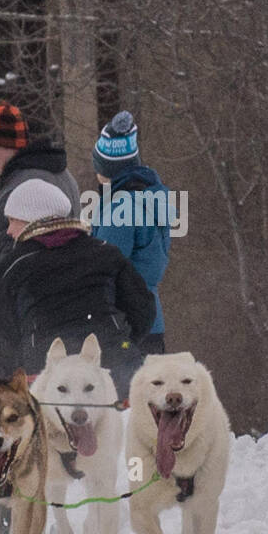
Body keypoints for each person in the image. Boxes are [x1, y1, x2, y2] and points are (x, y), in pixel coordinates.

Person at [0, 180, 155, 395]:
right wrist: (125, 343)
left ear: (30, 220)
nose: (8, 231)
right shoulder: (106, 253)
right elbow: (144, 309)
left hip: (47, 381)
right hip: (117, 370)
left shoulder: (11, 268)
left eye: (12, 221)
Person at [0, 102, 80, 312]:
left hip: (25, 322)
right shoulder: (64, 177)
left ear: (11, 145)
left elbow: (9, 268)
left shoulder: (21, 194)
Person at [89, 110, 171, 356]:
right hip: (151, 320)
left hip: (125, 325)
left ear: (108, 168)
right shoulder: (150, 198)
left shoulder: (121, 209)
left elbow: (104, 269)